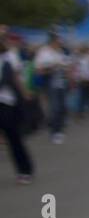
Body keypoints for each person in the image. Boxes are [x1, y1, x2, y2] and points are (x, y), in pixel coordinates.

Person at [0, 30, 35, 184]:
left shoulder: (9, 57)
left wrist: (25, 93)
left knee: (13, 138)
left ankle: (25, 170)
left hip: (7, 101)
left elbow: (16, 77)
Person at [33, 31, 71, 145]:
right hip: (50, 84)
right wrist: (53, 67)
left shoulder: (61, 52)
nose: (60, 42)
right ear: (53, 40)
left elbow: (67, 65)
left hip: (62, 83)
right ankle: (55, 132)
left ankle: (58, 126)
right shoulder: (44, 52)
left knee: (62, 107)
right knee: (55, 108)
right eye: (58, 40)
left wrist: (67, 70)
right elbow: (39, 70)